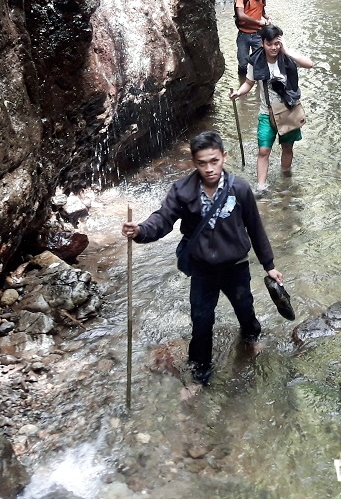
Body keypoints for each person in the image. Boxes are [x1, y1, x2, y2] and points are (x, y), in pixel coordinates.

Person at [121, 131, 283, 388]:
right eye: (202, 163)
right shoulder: (183, 191)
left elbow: (255, 227)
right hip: (202, 269)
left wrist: (269, 265)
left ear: (224, 157)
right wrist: (140, 231)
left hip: (235, 265)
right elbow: (162, 219)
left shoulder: (239, 188)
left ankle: (251, 339)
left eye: (214, 161)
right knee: (202, 321)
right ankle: (199, 374)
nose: (209, 169)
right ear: (194, 162)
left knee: (245, 308)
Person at [229, 24, 313, 193]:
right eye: (270, 44)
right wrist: (238, 93)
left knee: (287, 147)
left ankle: (285, 177)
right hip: (267, 113)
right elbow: (249, 83)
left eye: (277, 43)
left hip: (288, 110)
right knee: (264, 150)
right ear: (262, 43)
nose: (274, 47)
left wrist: (287, 51)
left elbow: (309, 64)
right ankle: (261, 187)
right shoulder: (256, 61)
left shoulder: (288, 58)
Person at [235, 0, 272, 82]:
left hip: (258, 35)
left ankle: (259, 89)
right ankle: (242, 85)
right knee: (243, 63)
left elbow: (262, 11)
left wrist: (268, 18)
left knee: (259, 62)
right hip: (243, 35)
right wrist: (258, 22)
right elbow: (240, 15)